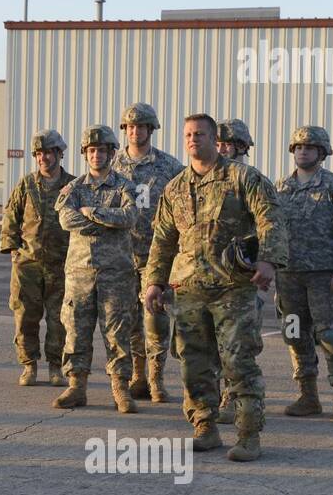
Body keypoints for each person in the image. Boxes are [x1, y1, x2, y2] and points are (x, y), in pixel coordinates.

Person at [144, 114, 289, 462]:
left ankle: (248, 433)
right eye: (189, 135)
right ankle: (205, 426)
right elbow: (163, 239)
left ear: (214, 138)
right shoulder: (175, 187)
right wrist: (153, 282)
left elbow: (271, 218)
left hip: (232, 289)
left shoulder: (243, 178)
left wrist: (268, 260)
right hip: (188, 288)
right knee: (193, 362)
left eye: (201, 134)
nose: (194, 140)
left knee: (238, 360)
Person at [276, 126, 333, 423]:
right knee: (294, 333)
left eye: (310, 147)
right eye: (298, 147)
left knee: (329, 334)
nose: (302, 151)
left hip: (324, 276)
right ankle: (308, 395)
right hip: (288, 275)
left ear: (322, 152)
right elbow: (272, 231)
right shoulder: (280, 188)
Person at [52, 125, 139, 412]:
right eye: (91, 150)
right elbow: (66, 220)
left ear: (111, 153)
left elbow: (129, 217)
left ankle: (120, 389)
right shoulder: (74, 188)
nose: (97, 155)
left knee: (117, 332)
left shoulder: (124, 186)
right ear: (85, 154)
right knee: (76, 329)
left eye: (102, 150)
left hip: (116, 273)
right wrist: (105, 223)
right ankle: (77, 386)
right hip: (80, 273)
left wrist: (93, 212)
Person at [111, 103, 184, 404]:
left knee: (156, 319)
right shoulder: (111, 165)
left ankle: (156, 378)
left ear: (151, 130)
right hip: (120, 255)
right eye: (130, 127)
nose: (135, 131)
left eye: (141, 126)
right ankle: (136, 376)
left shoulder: (169, 166)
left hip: (157, 256)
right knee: (126, 320)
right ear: (124, 130)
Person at [0, 129, 75, 388]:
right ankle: (29, 365)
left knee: (59, 319)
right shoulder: (27, 184)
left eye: (48, 152)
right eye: (39, 153)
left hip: (62, 264)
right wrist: (11, 248)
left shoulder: (73, 185)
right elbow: (11, 215)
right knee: (25, 316)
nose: (43, 158)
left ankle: (56, 367)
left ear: (59, 153)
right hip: (28, 263)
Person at [216, 118, 262, 424]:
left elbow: (269, 227)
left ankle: (237, 401)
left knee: (239, 345)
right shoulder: (202, 178)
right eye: (218, 144)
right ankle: (220, 397)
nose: (221, 149)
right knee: (211, 346)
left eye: (228, 144)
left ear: (242, 147)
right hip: (207, 277)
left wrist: (264, 263)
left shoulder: (251, 180)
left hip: (241, 276)